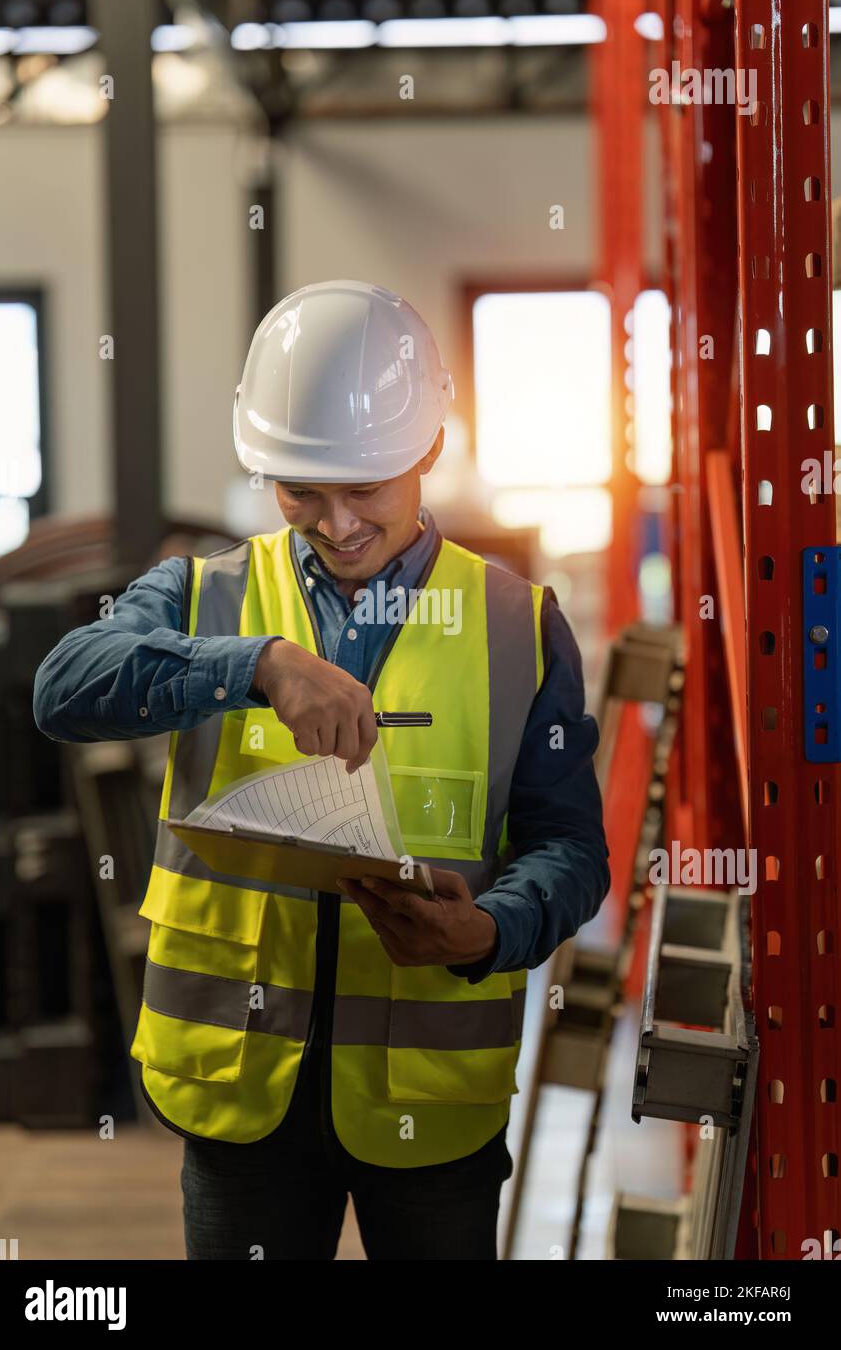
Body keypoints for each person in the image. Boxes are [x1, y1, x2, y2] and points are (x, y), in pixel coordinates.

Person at [33, 280, 610, 1261]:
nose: (336, 522)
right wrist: (252, 663)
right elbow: (63, 686)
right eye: (301, 489)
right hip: (240, 1095)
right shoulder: (207, 595)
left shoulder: (517, 623)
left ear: (428, 448)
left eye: (367, 488)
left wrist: (487, 928)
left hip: (427, 1107)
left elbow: (569, 847)